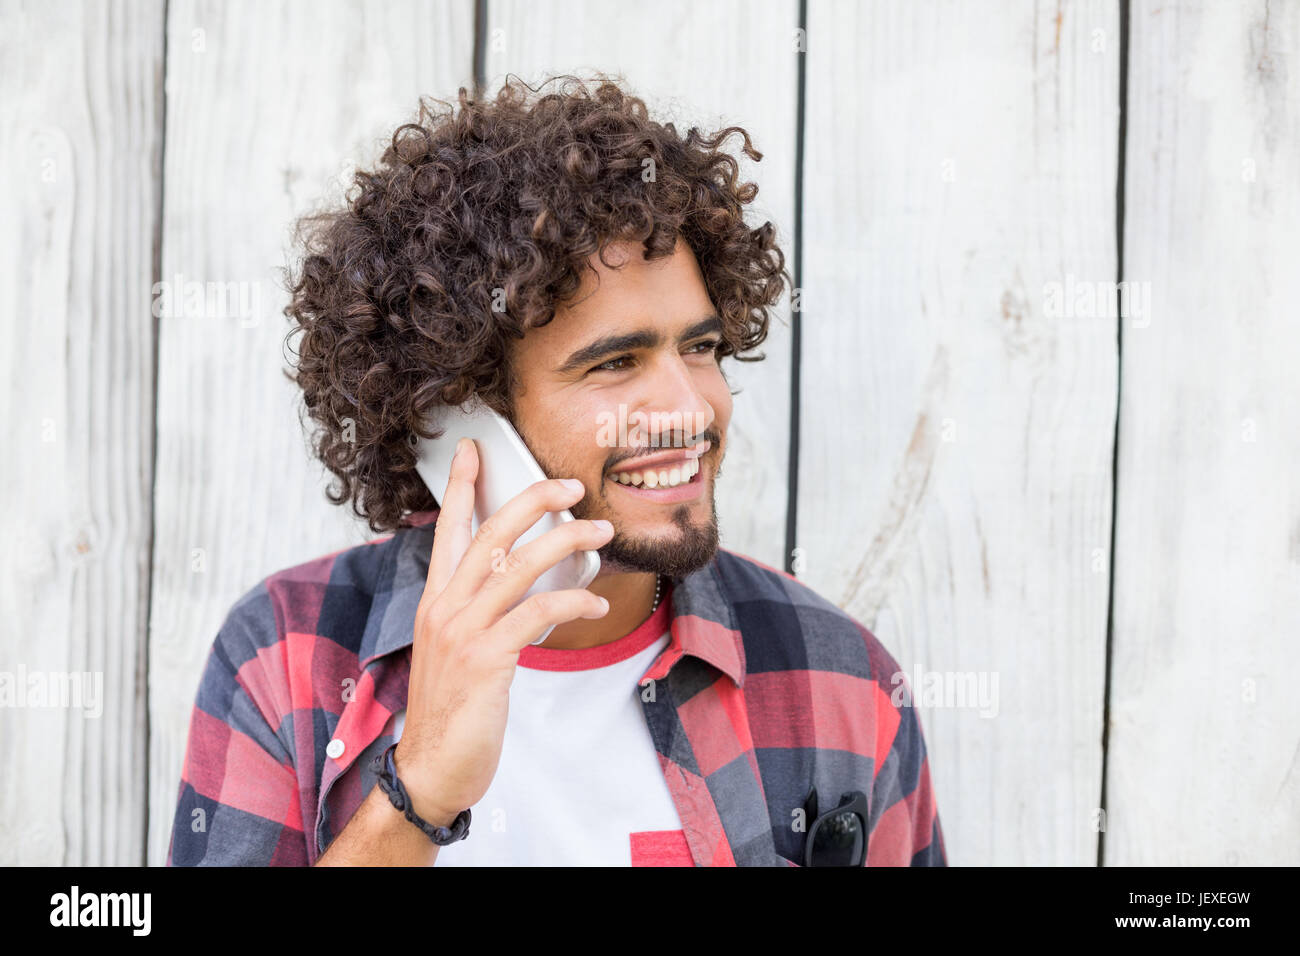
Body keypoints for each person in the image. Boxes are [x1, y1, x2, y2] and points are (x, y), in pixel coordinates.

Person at [166, 73, 946, 867]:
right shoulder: (287, 656)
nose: (692, 409)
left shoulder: (842, 680)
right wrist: (419, 791)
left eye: (701, 348)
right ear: (460, 410)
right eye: (615, 363)